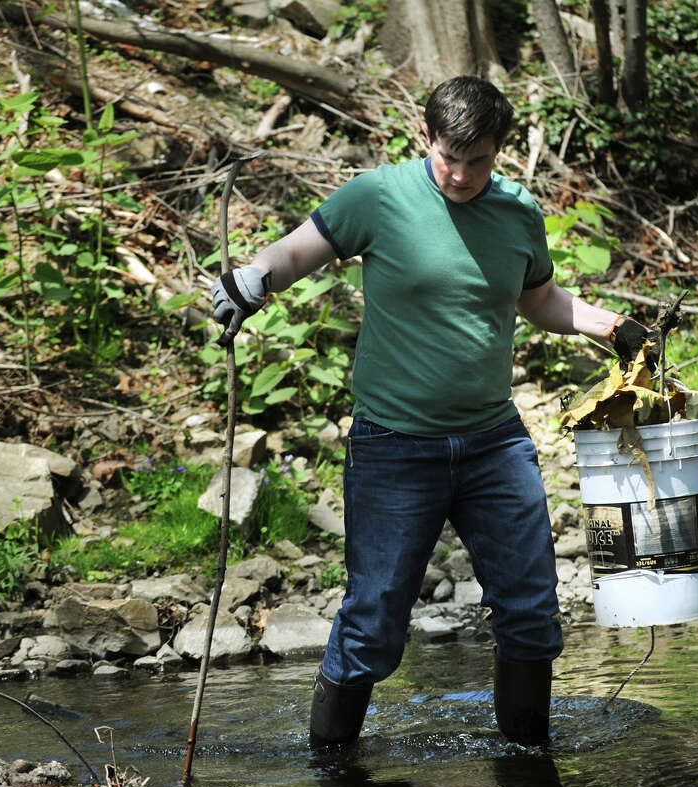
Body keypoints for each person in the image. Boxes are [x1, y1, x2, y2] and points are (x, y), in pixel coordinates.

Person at [212, 76, 655, 749]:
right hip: (394, 445)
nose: (461, 174)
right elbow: (300, 250)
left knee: (531, 610)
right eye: (450, 156)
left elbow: (537, 301)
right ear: (426, 137)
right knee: (375, 618)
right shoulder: (379, 197)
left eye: (479, 161)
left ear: (499, 152)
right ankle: (334, 776)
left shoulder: (517, 213)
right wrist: (252, 280)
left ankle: (528, 769)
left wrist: (611, 325)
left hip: (493, 443)